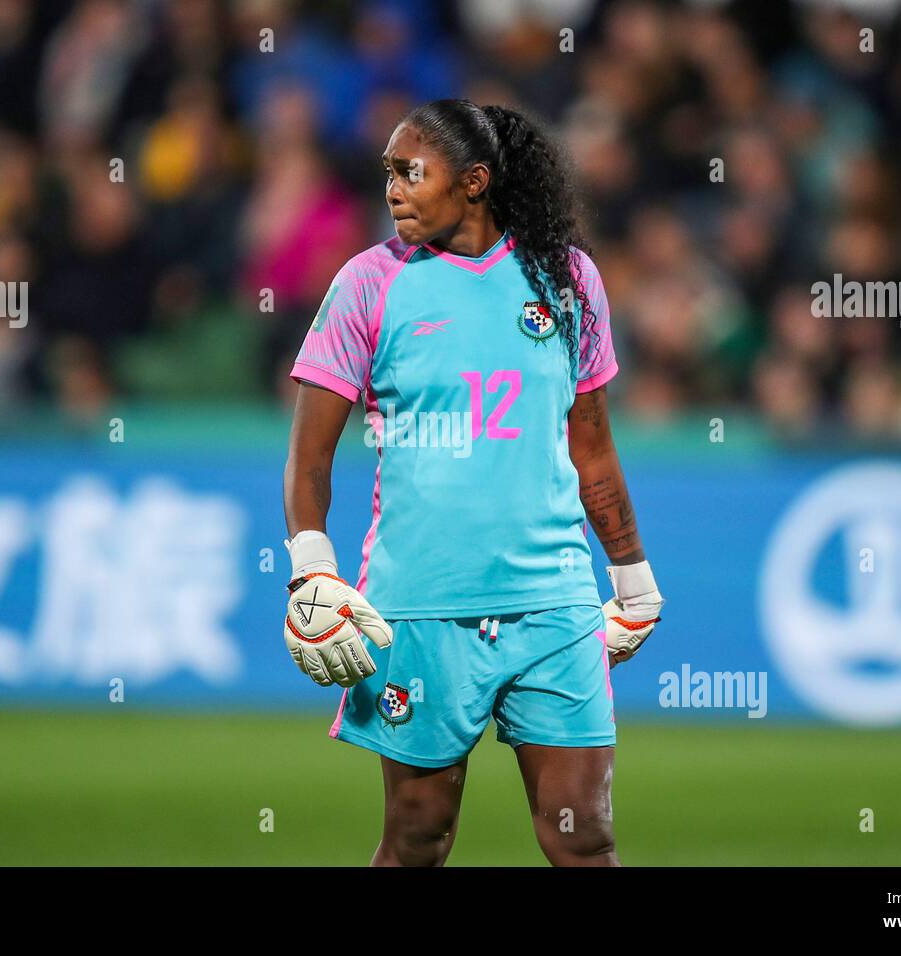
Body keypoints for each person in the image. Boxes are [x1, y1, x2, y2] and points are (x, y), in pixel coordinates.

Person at [281, 99, 665, 867]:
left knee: (585, 840)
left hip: (553, 605)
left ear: (475, 182)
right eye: (387, 173)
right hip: (418, 608)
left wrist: (634, 579)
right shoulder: (368, 284)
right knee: (419, 840)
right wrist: (311, 571)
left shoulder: (567, 280)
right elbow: (310, 458)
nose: (391, 189)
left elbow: (592, 449)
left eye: (410, 172)